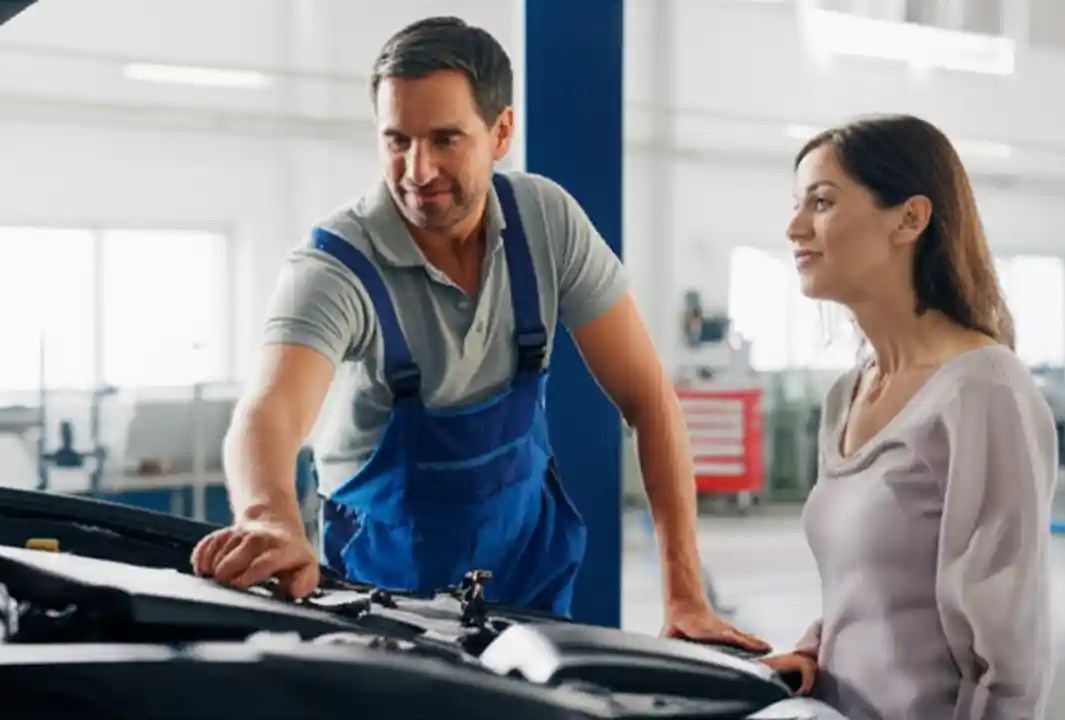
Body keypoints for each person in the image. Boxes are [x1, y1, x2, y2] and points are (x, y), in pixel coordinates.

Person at [189, 16, 768, 651]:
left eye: (445, 139)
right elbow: (269, 410)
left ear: (501, 132)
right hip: (381, 604)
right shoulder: (335, 265)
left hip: (529, 588)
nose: (417, 169)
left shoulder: (546, 224)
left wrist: (685, 593)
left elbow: (651, 402)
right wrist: (269, 517)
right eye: (397, 140)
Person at [759, 115, 1057, 718]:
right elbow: (871, 592)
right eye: (797, 205)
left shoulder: (982, 391)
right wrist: (815, 648)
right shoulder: (848, 394)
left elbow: (1012, 656)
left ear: (910, 218)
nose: (795, 228)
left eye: (821, 202)